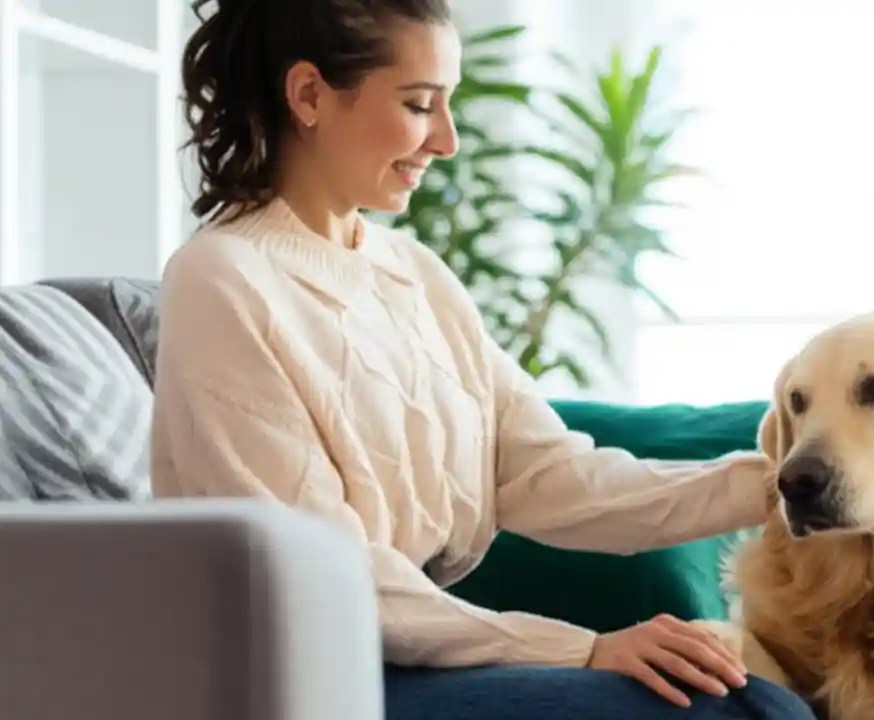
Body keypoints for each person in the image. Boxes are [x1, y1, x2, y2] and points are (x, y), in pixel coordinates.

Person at [153, 1, 817, 718]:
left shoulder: (414, 273)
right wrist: (583, 648)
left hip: (406, 657)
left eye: (448, 107)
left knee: (762, 703)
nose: (448, 141)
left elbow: (551, 477)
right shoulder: (223, 279)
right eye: (418, 105)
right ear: (309, 94)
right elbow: (324, 578)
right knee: (733, 712)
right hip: (302, 680)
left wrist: (780, 486)